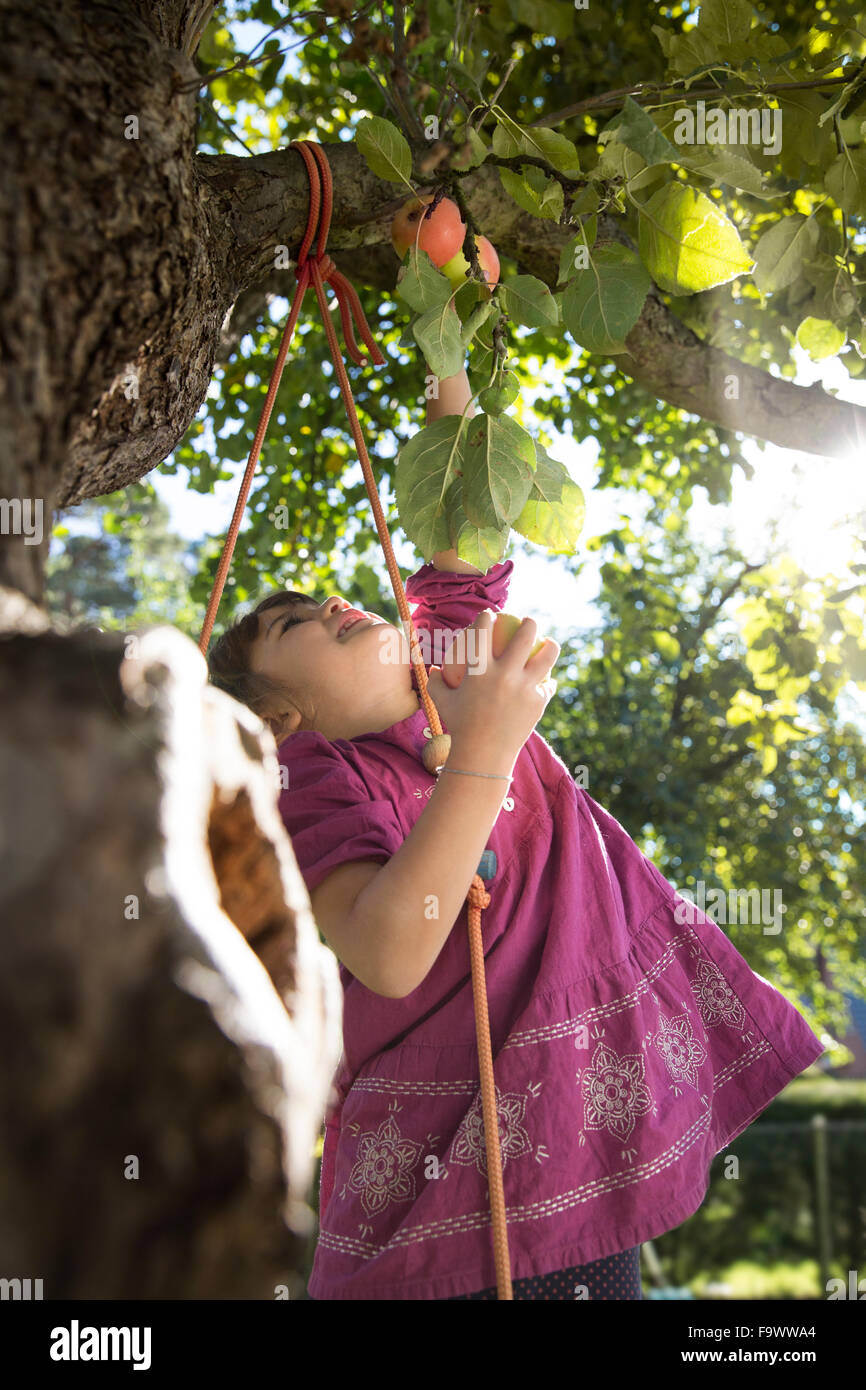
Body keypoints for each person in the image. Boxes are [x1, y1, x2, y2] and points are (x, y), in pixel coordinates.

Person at [207, 364, 825, 1301]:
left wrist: (448, 343)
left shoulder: (445, 669)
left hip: (577, 1122)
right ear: (281, 717)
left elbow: (463, 522)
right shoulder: (308, 775)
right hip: (450, 1167)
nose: (334, 604)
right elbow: (386, 949)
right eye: (295, 623)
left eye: (326, 597)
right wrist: (486, 751)